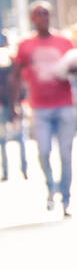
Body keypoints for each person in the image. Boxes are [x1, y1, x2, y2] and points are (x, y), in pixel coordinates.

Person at [8, 2, 77, 215]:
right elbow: (16, 77)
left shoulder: (64, 42)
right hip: (40, 108)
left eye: (46, 14)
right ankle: (50, 186)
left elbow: (76, 67)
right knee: (44, 151)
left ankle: (66, 198)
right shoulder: (25, 45)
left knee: (65, 154)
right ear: (32, 19)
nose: (43, 18)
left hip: (65, 104)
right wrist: (13, 105)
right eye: (39, 15)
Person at [0, 32, 28, 182]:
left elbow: (18, 80)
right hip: (9, 103)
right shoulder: (12, 58)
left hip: (14, 102)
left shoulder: (13, 59)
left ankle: (22, 169)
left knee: (13, 138)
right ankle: (16, 170)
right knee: (9, 139)